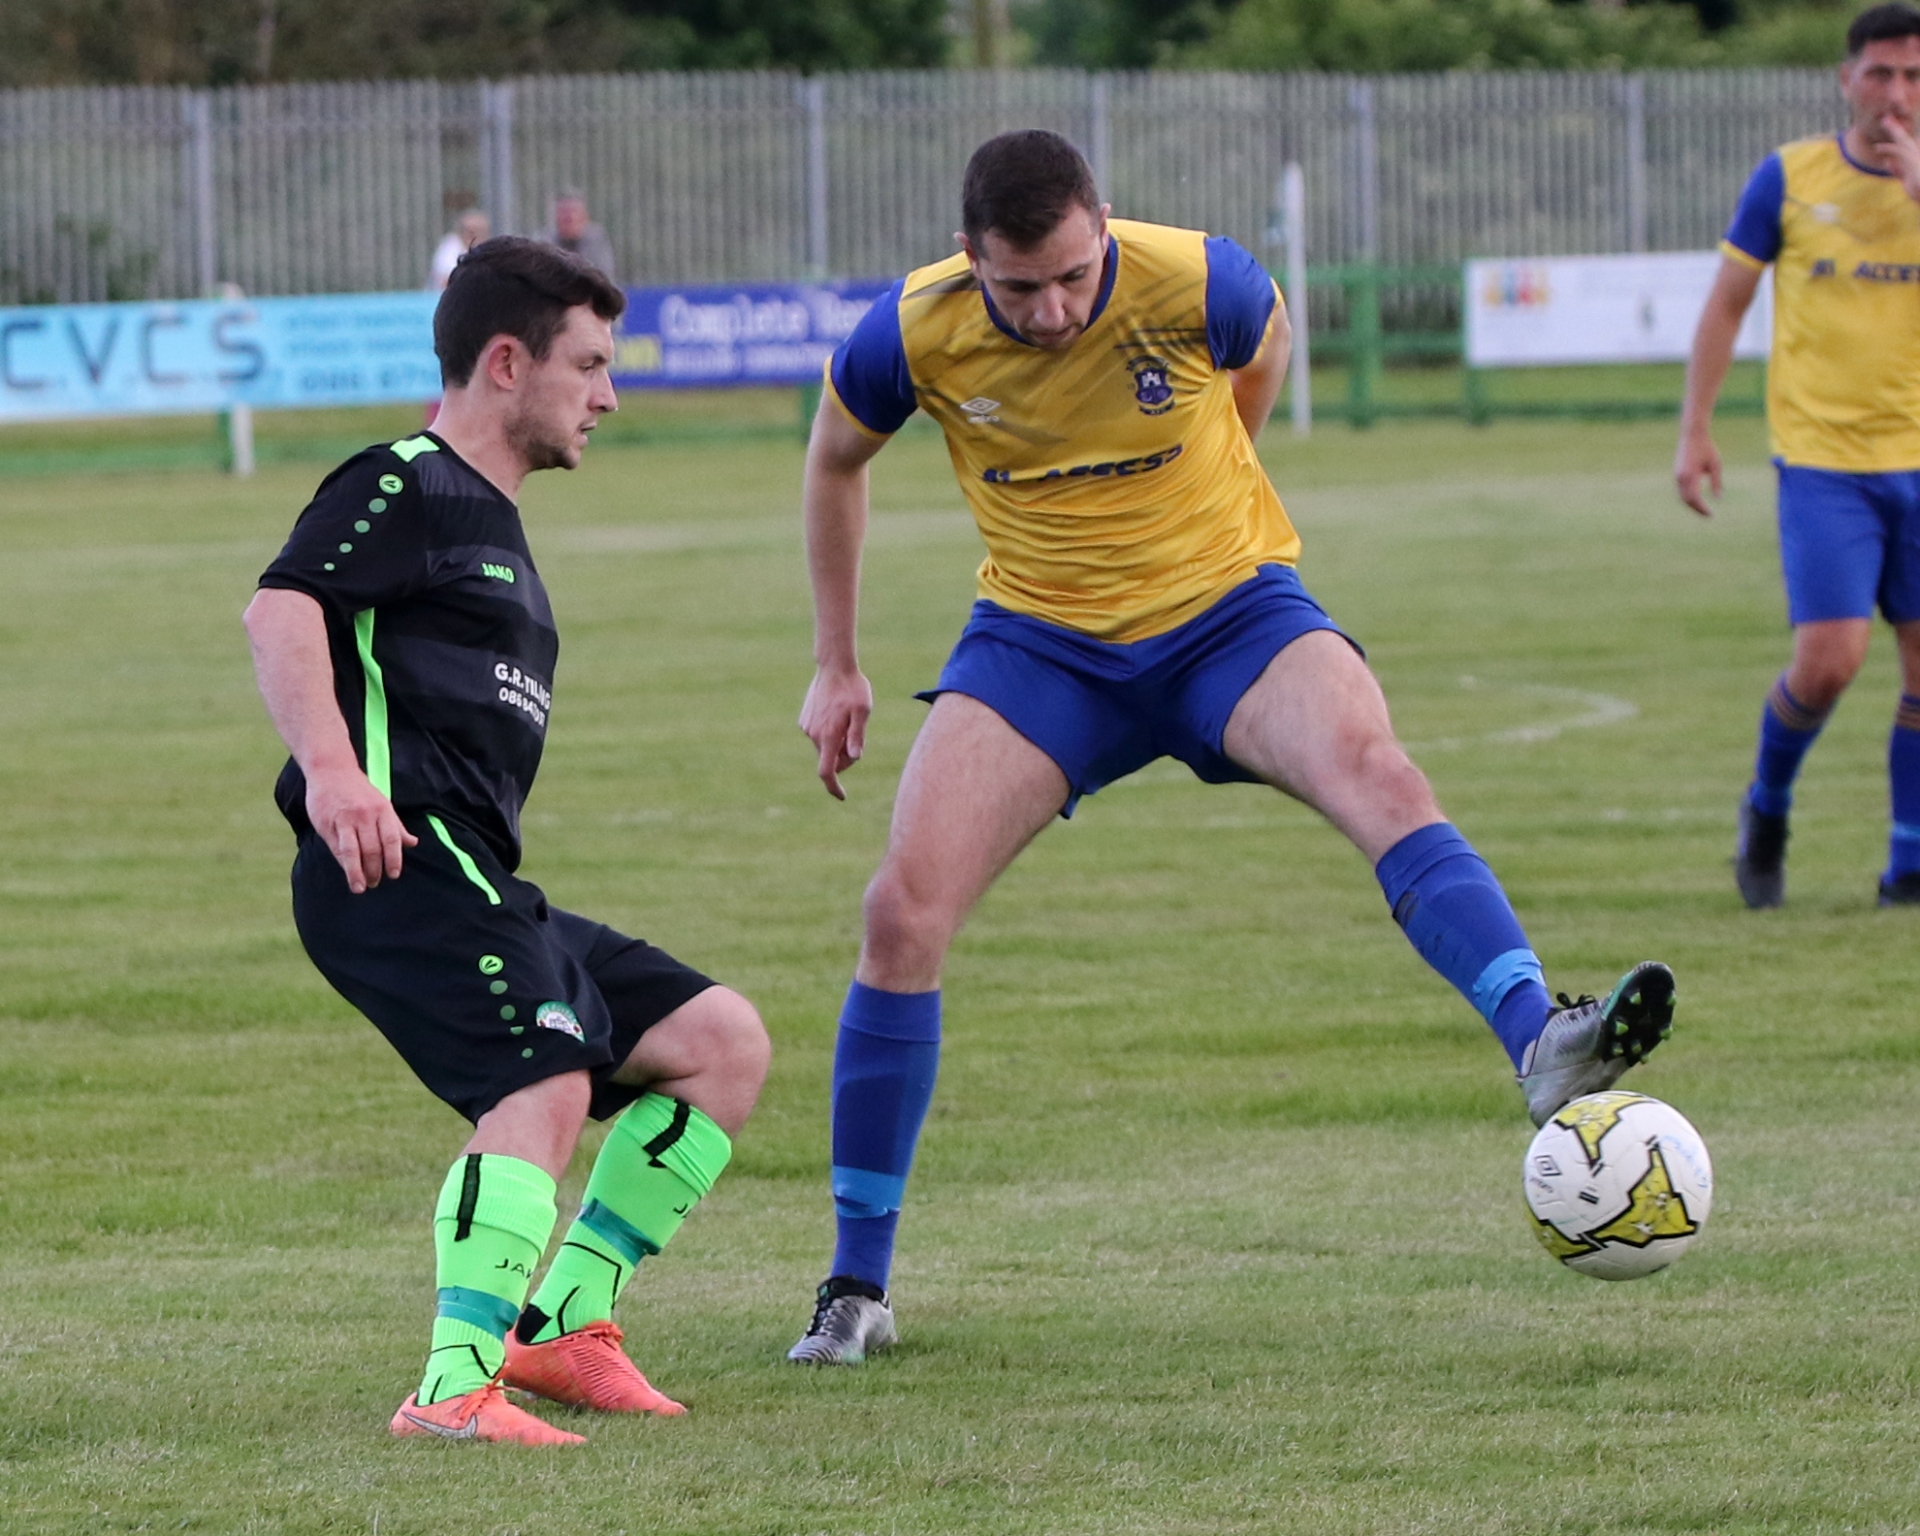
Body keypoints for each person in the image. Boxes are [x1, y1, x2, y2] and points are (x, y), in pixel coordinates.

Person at [787, 130, 1677, 1365]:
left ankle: (1540, 1038)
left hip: (1229, 617)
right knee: (901, 914)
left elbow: (1262, 353)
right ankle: (854, 1290)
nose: (1048, 312)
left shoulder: (1202, 280)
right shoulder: (911, 333)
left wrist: (1222, 487)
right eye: (1016, 288)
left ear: (1106, 224)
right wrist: (837, 660)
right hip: (1043, 646)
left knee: (1380, 772)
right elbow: (835, 460)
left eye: (1069, 277)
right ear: (967, 259)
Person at [244, 238, 769, 1443]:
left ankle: (564, 1333)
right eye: (588, 364)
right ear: (503, 361)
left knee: (718, 1045)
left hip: (480, 875)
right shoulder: (408, 481)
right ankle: (452, 1392)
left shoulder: (494, 522)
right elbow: (282, 608)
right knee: (541, 1074)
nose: (609, 394)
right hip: (395, 861)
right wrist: (333, 775)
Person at [1678, 3, 1920, 909]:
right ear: (1846, 78)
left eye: (1914, 76)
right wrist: (1696, 429)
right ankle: (1767, 807)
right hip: (1824, 464)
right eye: (1882, 74)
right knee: (1830, 663)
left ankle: (1908, 861)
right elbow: (1727, 304)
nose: (1897, 94)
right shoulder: (1789, 176)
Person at [540, 188, 618, 286]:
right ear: (554, 218)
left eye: (574, 212)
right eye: (564, 212)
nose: (570, 217)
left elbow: (605, 279)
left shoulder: (596, 241)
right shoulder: (543, 243)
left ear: (585, 217)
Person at [427, 208, 490, 291]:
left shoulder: (491, 249)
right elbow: (446, 281)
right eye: (471, 232)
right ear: (461, 232)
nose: (476, 236)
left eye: (481, 232)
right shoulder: (450, 247)